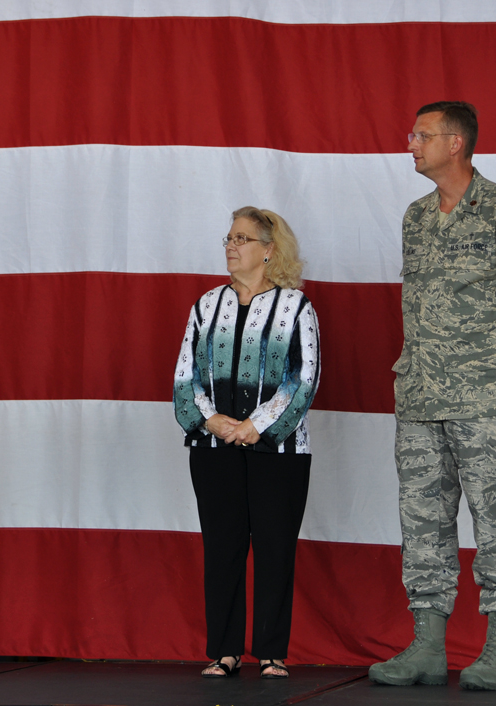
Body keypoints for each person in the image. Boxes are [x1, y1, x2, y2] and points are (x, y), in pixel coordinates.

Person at [368, 102, 496, 691]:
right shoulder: (416, 217)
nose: (411, 144)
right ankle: (427, 647)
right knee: (423, 523)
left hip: (486, 401)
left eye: (421, 135)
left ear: (456, 143)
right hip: (420, 398)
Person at [173, 206, 320, 679]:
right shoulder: (205, 305)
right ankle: (225, 651)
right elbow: (185, 375)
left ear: (269, 249)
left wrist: (257, 425)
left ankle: (272, 653)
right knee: (222, 548)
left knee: (276, 548)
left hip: (279, 451)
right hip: (213, 448)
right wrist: (211, 421)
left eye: (242, 238)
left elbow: (304, 377)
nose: (231, 246)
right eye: (229, 238)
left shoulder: (295, 306)